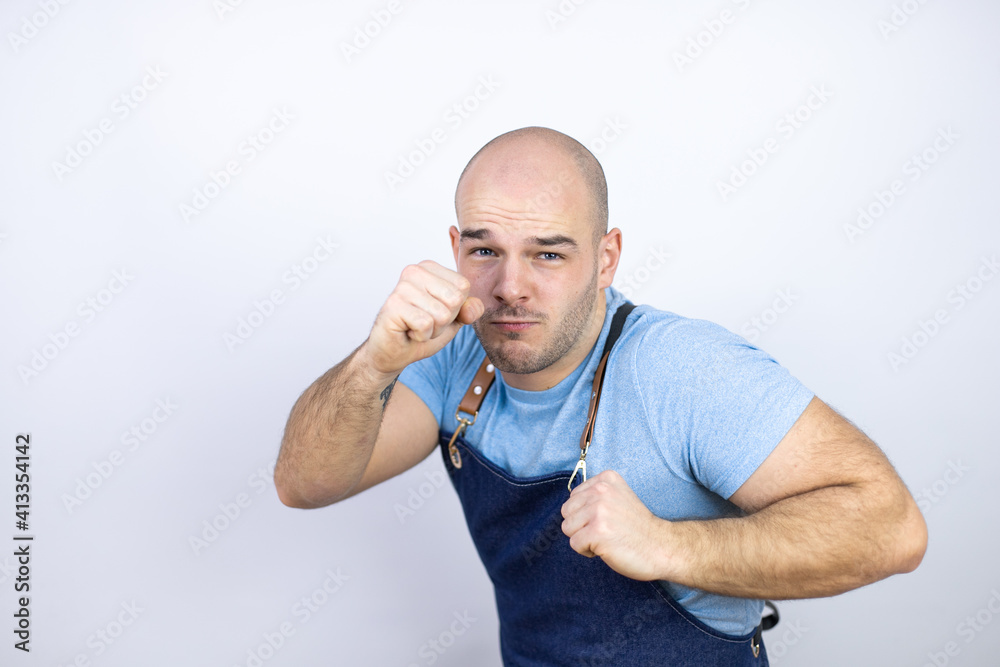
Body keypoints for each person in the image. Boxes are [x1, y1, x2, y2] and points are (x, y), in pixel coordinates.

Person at [274, 126, 928, 665]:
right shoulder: (450, 352)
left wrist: (668, 547)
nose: (509, 286)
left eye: (548, 255)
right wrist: (374, 363)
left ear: (607, 258)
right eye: (484, 249)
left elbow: (891, 526)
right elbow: (304, 483)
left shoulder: (682, 369)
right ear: (455, 247)